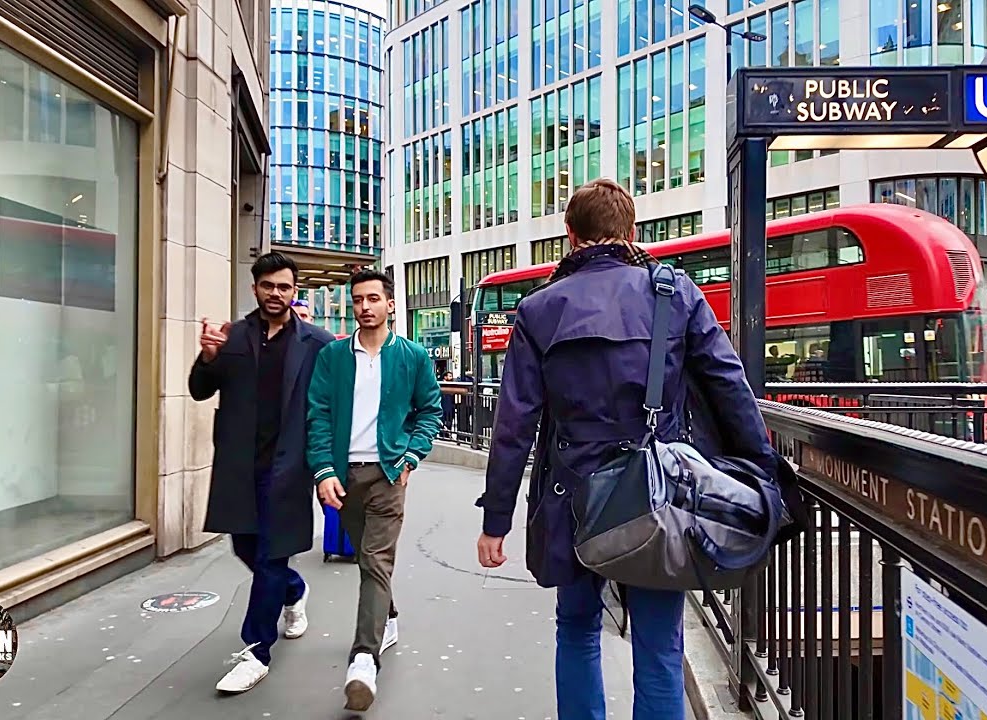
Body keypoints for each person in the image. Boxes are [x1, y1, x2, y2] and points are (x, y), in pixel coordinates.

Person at [474, 179, 780, 720]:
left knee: (576, 628)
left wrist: (496, 519)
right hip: (656, 493)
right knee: (661, 645)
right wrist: (762, 476)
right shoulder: (675, 293)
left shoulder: (539, 309)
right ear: (631, 232)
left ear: (570, 237)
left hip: (574, 496)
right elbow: (729, 387)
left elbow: (513, 425)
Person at [188, 252, 334, 693]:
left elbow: (332, 405)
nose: (276, 294)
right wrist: (208, 357)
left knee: (271, 555)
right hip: (239, 466)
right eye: (268, 286)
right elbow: (199, 391)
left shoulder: (318, 343)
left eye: (285, 287)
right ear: (255, 288)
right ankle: (294, 590)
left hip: (289, 469)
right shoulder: (232, 337)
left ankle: (255, 651)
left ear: (295, 292)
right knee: (246, 550)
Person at [305, 268, 444, 712]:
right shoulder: (333, 357)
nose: (364, 307)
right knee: (369, 558)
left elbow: (430, 412)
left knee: (373, 559)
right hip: (343, 478)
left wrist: (410, 458)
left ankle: (363, 659)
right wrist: (324, 470)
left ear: (390, 305)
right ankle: (389, 617)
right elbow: (318, 415)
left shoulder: (413, 357)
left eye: (372, 299)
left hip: (387, 475)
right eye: (358, 300)